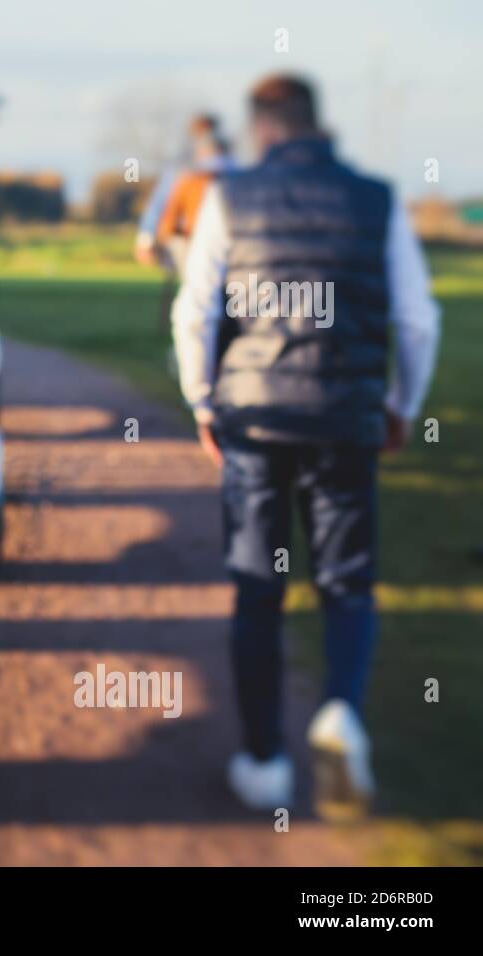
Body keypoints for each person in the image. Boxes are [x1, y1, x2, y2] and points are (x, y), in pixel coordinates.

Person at [171, 75, 440, 818]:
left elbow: (194, 311)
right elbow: (418, 321)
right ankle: (339, 713)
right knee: (346, 581)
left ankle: (263, 763)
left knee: (257, 588)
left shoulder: (230, 197)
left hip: (252, 422)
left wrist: (201, 402)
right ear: (319, 125)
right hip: (346, 418)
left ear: (263, 131)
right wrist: (401, 405)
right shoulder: (378, 200)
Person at [134, 113, 235, 269]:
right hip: (195, 239)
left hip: (206, 240)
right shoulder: (181, 170)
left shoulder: (187, 173)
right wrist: (146, 239)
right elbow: (161, 204)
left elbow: (163, 209)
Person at [155, 129, 232, 276]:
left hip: (195, 241)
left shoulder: (190, 179)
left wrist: (166, 241)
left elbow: (170, 218)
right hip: (230, 242)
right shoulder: (241, 176)